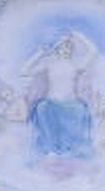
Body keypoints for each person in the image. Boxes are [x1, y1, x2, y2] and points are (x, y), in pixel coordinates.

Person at [23, 30, 96, 160]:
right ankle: (51, 150)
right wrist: (39, 53)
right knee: (41, 108)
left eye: (69, 47)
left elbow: (93, 52)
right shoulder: (49, 63)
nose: (66, 50)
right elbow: (24, 72)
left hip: (71, 105)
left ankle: (72, 152)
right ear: (57, 49)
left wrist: (79, 36)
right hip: (52, 104)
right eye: (63, 47)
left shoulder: (75, 64)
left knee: (81, 110)